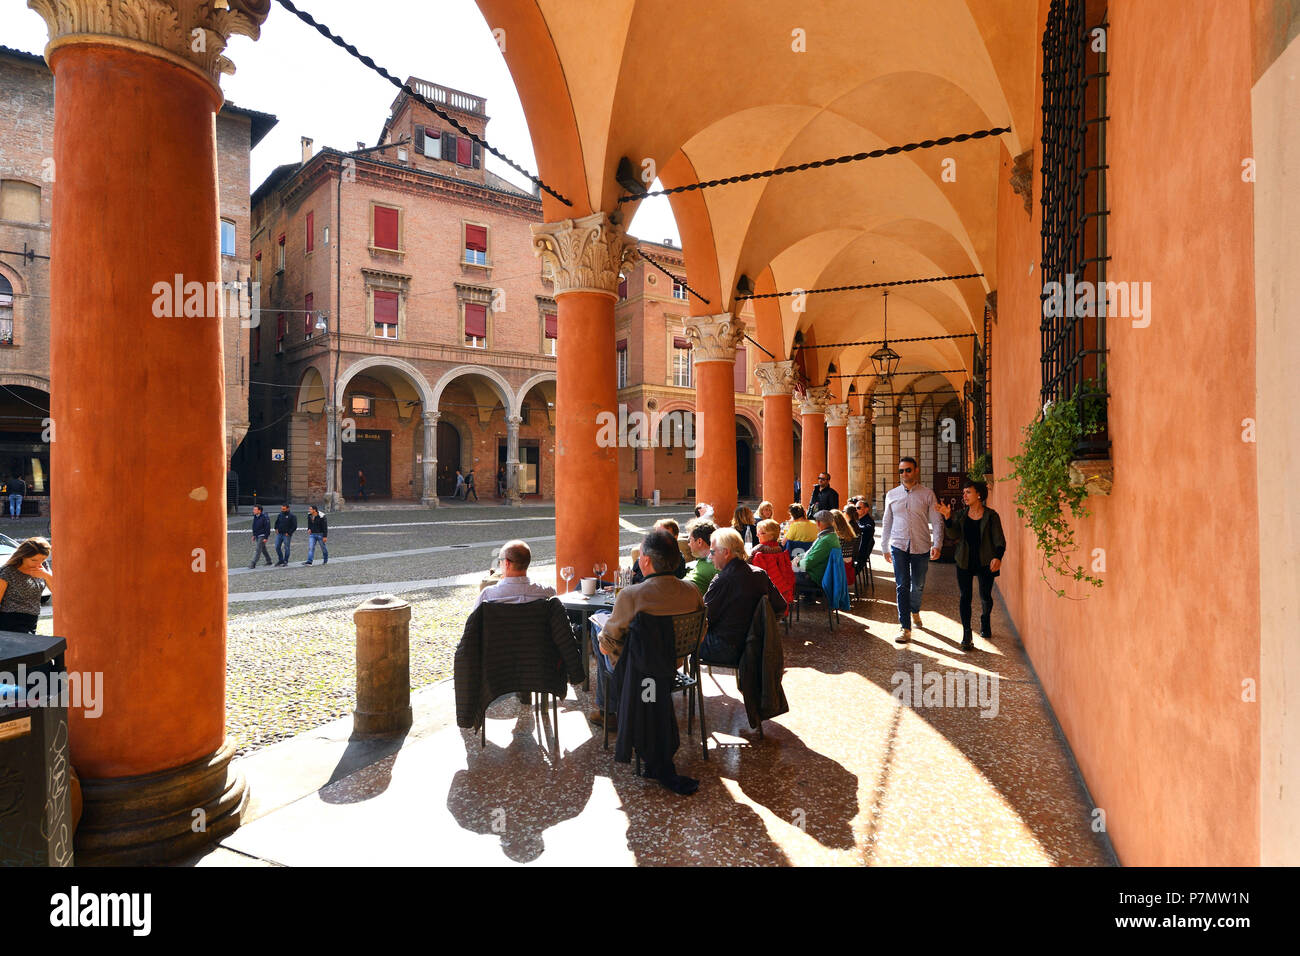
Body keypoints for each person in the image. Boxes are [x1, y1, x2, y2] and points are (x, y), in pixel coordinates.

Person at [592, 529, 703, 725]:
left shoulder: (631, 595)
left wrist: (602, 633)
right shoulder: (693, 592)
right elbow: (700, 633)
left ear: (646, 561)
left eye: (641, 554)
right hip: (673, 663)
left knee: (597, 627)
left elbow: (605, 647)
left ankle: (609, 711)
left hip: (637, 668)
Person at [700, 528, 788, 666]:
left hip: (727, 649)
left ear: (726, 552)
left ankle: (687, 686)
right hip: (756, 648)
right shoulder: (760, 574)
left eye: (712, 552)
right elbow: (781, 607)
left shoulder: (722, 580)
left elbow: (702, 619)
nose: (710, 557)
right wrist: (760, 632)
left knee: (682, 644)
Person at [881, 456, 944, 644]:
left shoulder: (927, 494)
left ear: (915, 471)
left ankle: (915, 610)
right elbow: (886, 521)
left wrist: (937, 544)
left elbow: (937, 520)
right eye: (901, 471)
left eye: (908, 470)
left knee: (917, 585)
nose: (904, 474)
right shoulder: (892, 495)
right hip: (898, 545)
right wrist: (884, 546)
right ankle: (905, 627)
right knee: (901, 585)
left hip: (921, 545)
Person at [937, 480, 1007, 649]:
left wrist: (998, 557)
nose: (964, 495)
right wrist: (947, 518)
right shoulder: (961, 515)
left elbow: (1000, 540)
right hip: (964, 560)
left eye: (968, 492)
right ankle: (967, 633)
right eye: (964, 492)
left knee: (985, 596)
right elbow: (953, 535)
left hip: (985, 562)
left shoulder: (991, 516)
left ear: (979, 495)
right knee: (965, 597)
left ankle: (985, 619)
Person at [473, 540, 555, 610]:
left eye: (500, 561)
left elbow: (473, 625)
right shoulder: (548, 592)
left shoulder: (488, 595)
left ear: (506, 563)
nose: (499, 564)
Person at [0, 537, 52, 633]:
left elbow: (57, 591)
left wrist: (46, 575)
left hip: (32, 619)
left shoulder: (42, 566)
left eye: (43, 559)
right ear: (23, 556)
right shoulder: (8, 571)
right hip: (10, 620)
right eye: (34, 560)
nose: (39, 563)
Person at [749, 519, 795, 611]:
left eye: (761, 533)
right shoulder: (780, 551)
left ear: (771, 535)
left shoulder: (759, 554)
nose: (757, 535)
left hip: (764, 597)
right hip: (780, 594)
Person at [793, 511, 839, 594]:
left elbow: (807, 564)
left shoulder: (825, 540)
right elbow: (811, 552)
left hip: (815, 577)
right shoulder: (831, 536)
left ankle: (783, 604)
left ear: (818, 523)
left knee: (783, 574)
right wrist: (799, 556)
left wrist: (797, 563)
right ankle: (808, 598)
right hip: (820, 574)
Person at [630, 518, 688, 583]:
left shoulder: (676, 558)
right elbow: (632, 577)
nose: (658, 538)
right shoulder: (643, 556)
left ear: (675, 537)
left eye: (663, 535)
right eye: (657, 534)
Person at [685, 520, 717, 594]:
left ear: (699, 541)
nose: (688, 544)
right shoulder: (710, 560)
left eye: (689, 540)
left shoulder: (715, 565)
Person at [248, 505, 273, 569]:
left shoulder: (265, 517)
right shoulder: (255, 516)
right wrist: (254, 535)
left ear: (259, 510)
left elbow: (267, 528)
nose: (253, 511)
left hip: (262, 535)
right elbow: (254, 526)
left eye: (255, 510)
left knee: (258, 549)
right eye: (254, 509)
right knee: (263, 549)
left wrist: (266, 537)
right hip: (257, 535)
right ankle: (269, 560)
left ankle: (253, 563)